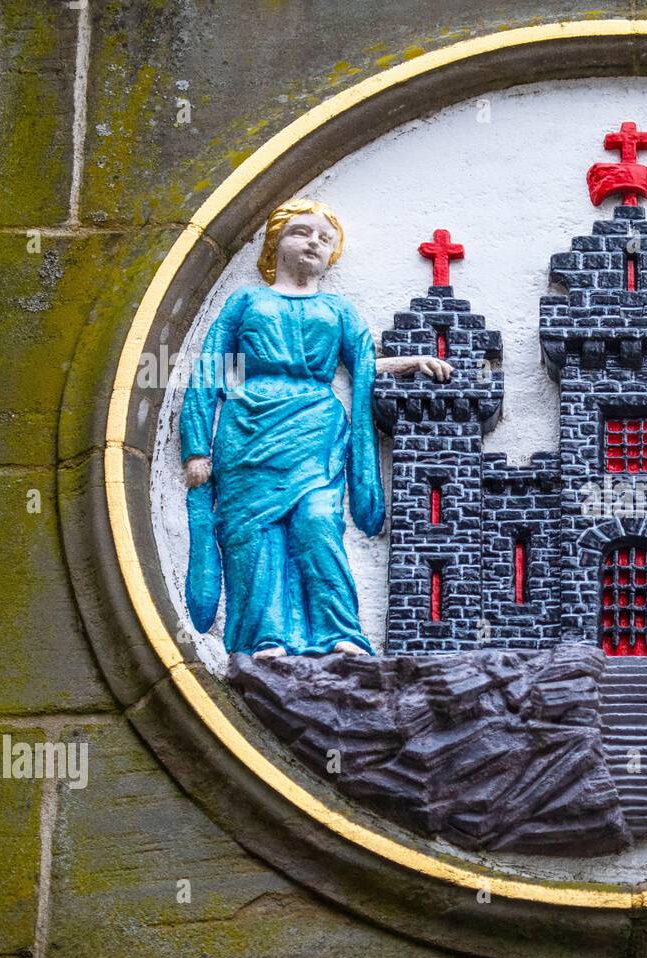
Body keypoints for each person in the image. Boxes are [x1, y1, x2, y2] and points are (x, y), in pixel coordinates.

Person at [180, 198, 451, 657]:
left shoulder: (339, 309)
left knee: (319, 524)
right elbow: (209, 371)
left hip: (316, 428)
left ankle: (339, 632)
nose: (313, 243)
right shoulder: (247, 301)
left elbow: (360, 366)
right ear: (276, 243)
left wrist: (412, 362)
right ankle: (262, 637)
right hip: (249, 427)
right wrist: (194, 448)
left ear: (332, 256)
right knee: (254, 534)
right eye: (301, 232)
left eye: (324, 239)